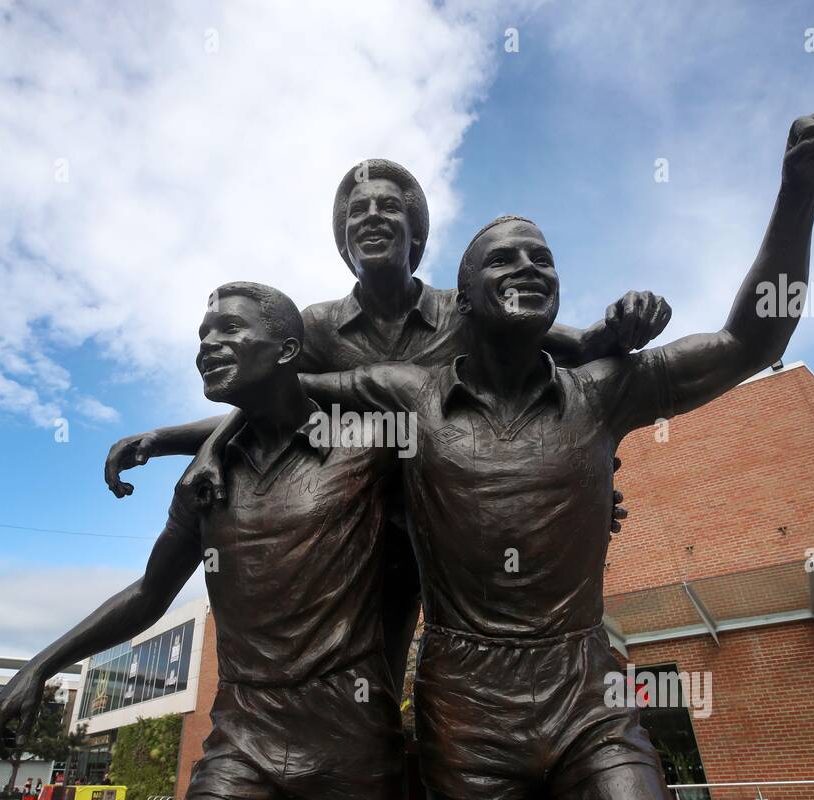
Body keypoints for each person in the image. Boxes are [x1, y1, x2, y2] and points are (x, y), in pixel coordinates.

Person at [261, 113, 814, 800]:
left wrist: (799, 194)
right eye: (503, 261)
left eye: (541, 258)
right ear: (464, 303)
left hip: (586, 697)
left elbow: (752, 342)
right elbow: (277, 396)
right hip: (465, 705)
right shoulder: (408, 398)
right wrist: (202, 446)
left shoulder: (606, 392)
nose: (529, 268)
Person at [102, 160, 666, 692]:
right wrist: (178, 442)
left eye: (388, 208)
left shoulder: (467, 308)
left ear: (414, 235)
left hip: (464, 511)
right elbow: (267, 397)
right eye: (356, 211)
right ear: (344, 242)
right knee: (376, 672)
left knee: (508, 650)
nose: (371, 216)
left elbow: (583, 347)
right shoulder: (317, 328)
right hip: (371, 525)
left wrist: (626, 323)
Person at [0, 282, 410, 800]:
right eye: (203, 335)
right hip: (243, 742)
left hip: (353, 744)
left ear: (288, 351)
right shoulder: (202, 483)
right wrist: (41, 665)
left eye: (230, 330)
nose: (208, 344)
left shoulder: (372, 445)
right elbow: (148, 595)